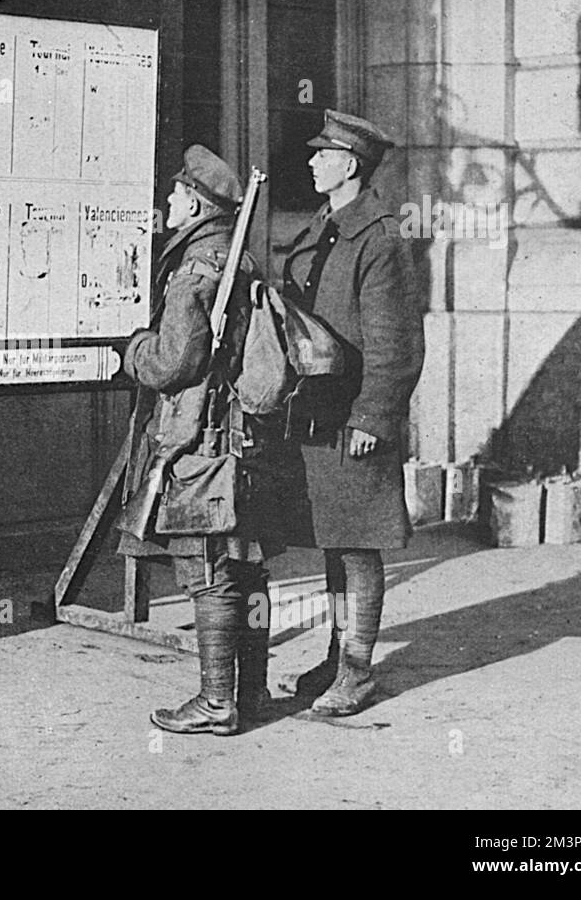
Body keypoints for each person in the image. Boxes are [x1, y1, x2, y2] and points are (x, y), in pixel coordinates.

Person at [119, 145, 289, 736]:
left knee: (209, 567)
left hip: (204, 444)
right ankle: (255, 694)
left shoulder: (196, 268)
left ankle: (218, 702)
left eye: (173, 194)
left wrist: (135, 348)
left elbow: (175, 362)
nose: (166, 203)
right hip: (246, 442)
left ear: (192, 200)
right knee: (246, 566)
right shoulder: (238, 261)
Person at [278, 109, 425, 716]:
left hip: (354, 417)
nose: (312, 162)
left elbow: (397, 345)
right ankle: (339, 655)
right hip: (319, 411)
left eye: (322, 154)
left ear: (350, 164)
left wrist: (372, 418)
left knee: (359, 547)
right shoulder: (328, 224)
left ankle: (359, 670)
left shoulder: (380, 237)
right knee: (336, 544)